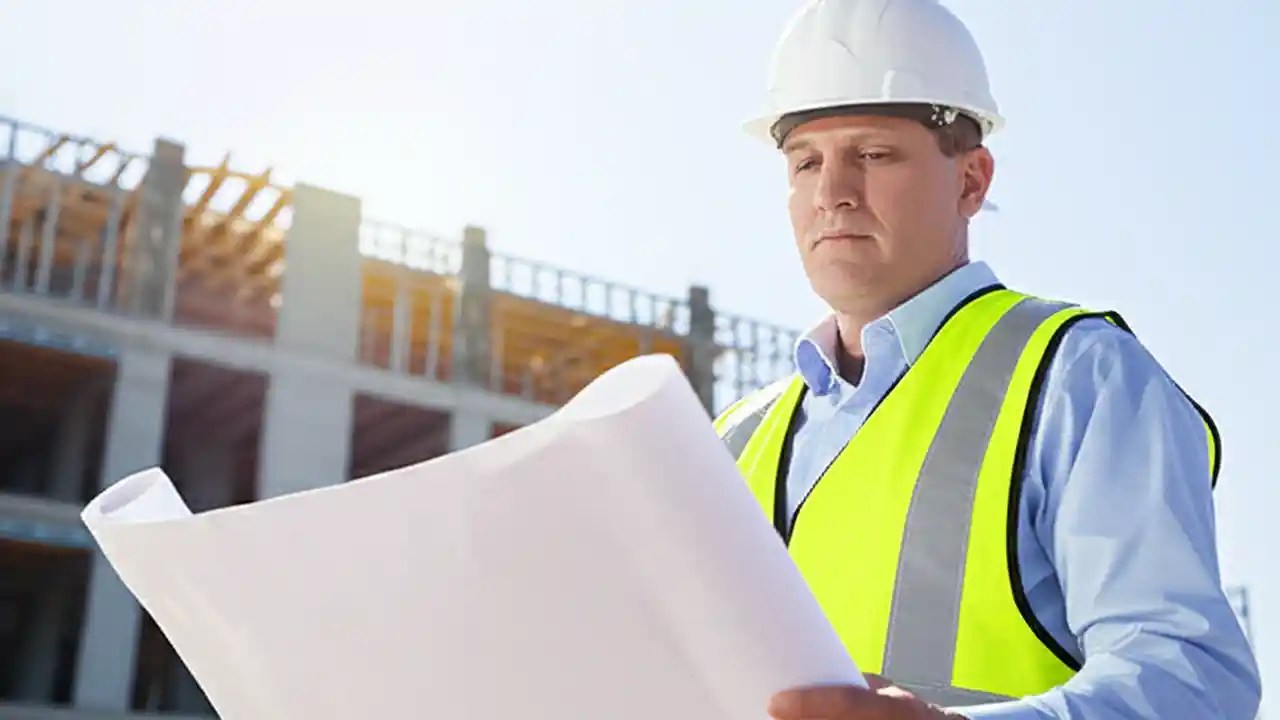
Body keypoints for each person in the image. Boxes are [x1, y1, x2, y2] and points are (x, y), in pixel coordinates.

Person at [714, 1, 1263, 718]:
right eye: (806, 162)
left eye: (874, 155)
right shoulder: (731, 442)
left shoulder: (1075, 377)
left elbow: (1193, 683)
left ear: (971, 181)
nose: (833, 194)